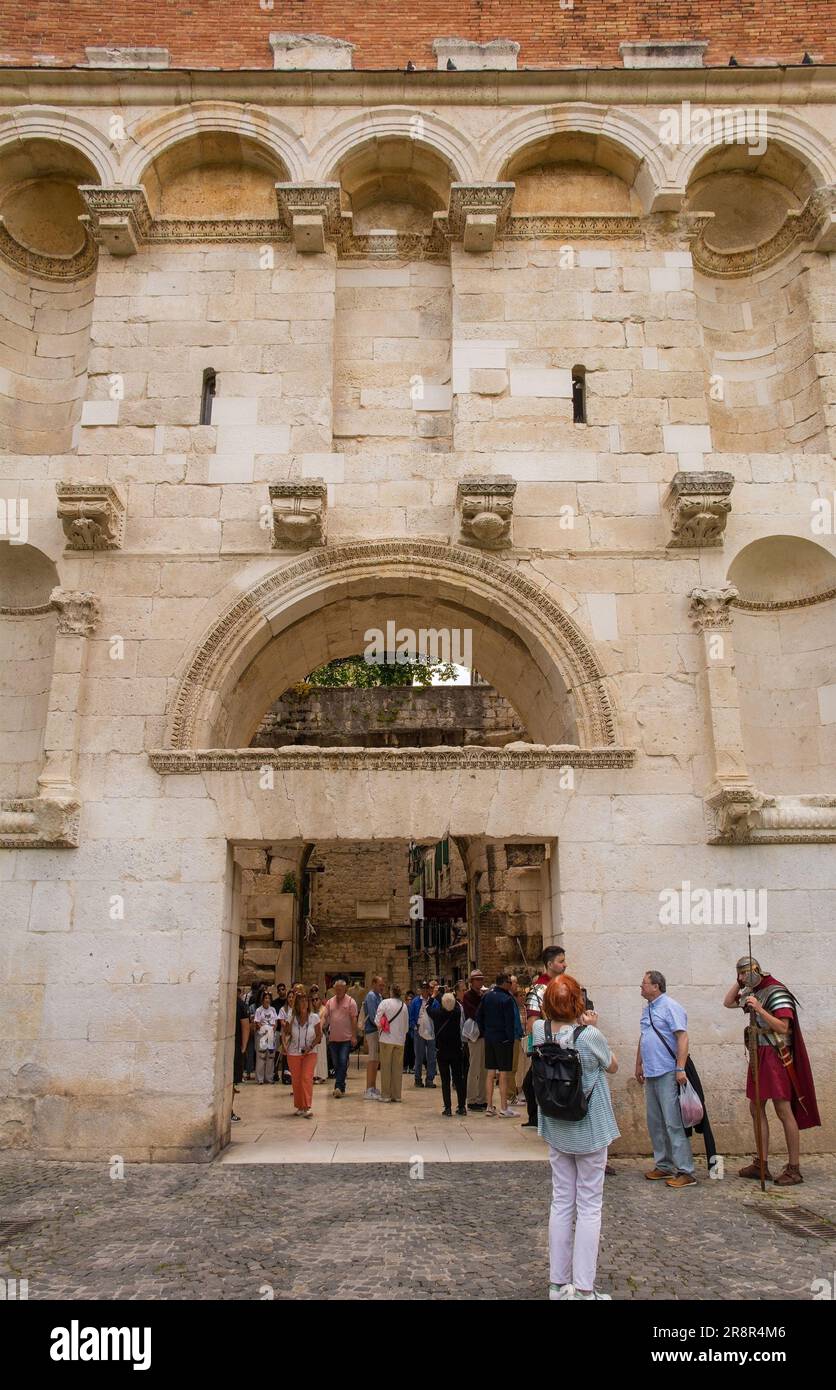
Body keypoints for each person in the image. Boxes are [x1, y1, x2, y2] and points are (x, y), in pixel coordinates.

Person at [532, 975, 619, 1301]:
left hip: (556, 1125)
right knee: (589, 1206)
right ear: (579, 1004)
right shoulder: (590, 1035)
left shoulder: (539, 1030)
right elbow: (612, 1066)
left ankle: (557, 1284)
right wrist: (591, 1025)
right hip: (589, 1128)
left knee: (561, 1202)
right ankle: (583, 1288)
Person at [724, 955, 821, 1185]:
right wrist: (740, 984)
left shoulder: (776, 992)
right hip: (758, 1056)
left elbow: (783, 1027)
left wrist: (759, 1008)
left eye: (744, 973)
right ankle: (761, 1164)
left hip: (776, 1056)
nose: (741, 977)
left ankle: (794, 1168)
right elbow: (728, 1002)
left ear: (756, 970)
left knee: (783, 1109)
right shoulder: (752, 990)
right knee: (755, 1107)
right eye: (739, 974)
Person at [636, 971, 696, 1188]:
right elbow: (644, 1036)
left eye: (644, 983)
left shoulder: (671, 1006)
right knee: (655, 1122)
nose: (641, 987)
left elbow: (682, 1036)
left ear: (656, 986)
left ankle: (685, 1170)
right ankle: (664, 1164)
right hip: (651, 1072)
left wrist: (680, 1068)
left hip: (667, 1071)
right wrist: (639, 1063)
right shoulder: (648, 1009)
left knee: (672, 1122)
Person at [522, 947, 567, 1127]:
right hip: (548, 1048)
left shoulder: (567, 984)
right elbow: (532, 1024)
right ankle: (540, 1121)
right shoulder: (539, 989)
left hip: (569, 1043)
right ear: (549, 964)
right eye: (561, 961)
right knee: (536, 1085)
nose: (565, 965)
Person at [475, 973, 520, 1117]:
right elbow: (509, 1022)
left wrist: (484, 1031)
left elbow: (478, 1016)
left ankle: (489, 1106)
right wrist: (510, 1039)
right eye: (509, 982)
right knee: (503, 1074)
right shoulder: (507, 999)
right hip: (504, 1040)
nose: (511, 985)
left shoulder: (487, 996)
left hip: (490, 1038)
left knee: (490, 1072)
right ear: (504, 983)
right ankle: (504, 1107)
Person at [282, 986, 322, 1118]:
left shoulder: (315, 1017)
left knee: (306, 1078)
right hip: (294, 1052)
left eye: (306, 1000)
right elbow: (286, 1033)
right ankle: (300, 1106)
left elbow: (318, 1036)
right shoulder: (291, 1016)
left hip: (310, 1052)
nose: (304, 1003)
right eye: (301, 1001)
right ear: (297, 1004)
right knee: (297, 1080)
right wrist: (284, 1045)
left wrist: (310, 1047)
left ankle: (307, 1106)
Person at [428, 988, 467, 1115]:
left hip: (442, 1052)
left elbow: (427, 1007)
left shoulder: (437, 1014)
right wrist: (449, 994)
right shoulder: (456, 1013)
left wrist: (434, 995)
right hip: (456, 1050)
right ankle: (461, 1107)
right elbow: (454, 1003)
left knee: (445, 1081)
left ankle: (448, 1108)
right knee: (458, 1079)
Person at [322, 978, 358, 1098]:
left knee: (343, 1061)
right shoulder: (330, 1002)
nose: (338, 991)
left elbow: (354, 1019)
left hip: (346, 1039)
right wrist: (320, 1026)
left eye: (340, 989)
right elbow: (325, 1015)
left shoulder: (351, 1002)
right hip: (333, 1038)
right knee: (336, 1064)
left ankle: (338, 1086)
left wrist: (353, 1036)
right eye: (336, 989)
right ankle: (341, 1086)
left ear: (345, 989)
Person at [374, 985, 409, 1101]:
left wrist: (383, 1026)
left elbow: (377, 1021)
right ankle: (397, 1095)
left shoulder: (385, 1003)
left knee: (386, 1067)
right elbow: (406, 1027)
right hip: (400, 1041)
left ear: (391, 992)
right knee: (398, 1069)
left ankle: (385, 1095)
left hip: (386, 1039)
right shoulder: (404, 1006)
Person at [462, 969, 487, 1109]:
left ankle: (482, 1098)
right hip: (475, 1037)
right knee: (474, 1068)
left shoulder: (482, 995)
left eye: (481, 979)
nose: (480, 982)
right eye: (477, 980)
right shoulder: (468, 996)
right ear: (472, 982)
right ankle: (471, 1099)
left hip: (484, 1035)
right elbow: (474, 1013)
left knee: (484, 1068)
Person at [410, 981, 437, 1089]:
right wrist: (414, 1026)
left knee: (431, 1056)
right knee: (419, 1056)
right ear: (420, 990)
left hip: (430, 1031)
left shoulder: (433, 1002)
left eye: (426, 989)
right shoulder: (415, 1001)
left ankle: (430, 1079)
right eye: (423, 989)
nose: (425, 991)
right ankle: (417, 1079)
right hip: (419, 1031)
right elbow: (411, 1016)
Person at [362, 974, 384, 1100]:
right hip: (372, 1030)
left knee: (376, 1060)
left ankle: (373, 1087)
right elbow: (373, 1015)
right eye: (380, 985)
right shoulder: (371, 996)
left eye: (383, 985)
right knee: (372, 1059)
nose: (382, 987)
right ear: (374, 984)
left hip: (377, 1031)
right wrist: (382, 1027)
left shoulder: (378, 996)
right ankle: (369, 1088)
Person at [253, 989, 279, 1085]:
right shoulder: (259, 1010)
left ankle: (269, 1077)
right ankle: (260, 1078)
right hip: (262, 1035)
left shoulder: (272, 1009)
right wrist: (264, 1030)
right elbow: (257, 1022)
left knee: (270, 1057)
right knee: (261, 1056)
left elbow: (275, 1021)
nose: (267, 1000)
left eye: (268, 998)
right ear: (262, 999)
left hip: (271, 1035)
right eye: (265, 998)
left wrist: (272, 1030)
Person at [232, 988, 250, 1122]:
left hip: (233, 1047)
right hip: (236, 1048)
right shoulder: (240, 1004)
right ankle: (229, 1110)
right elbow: (245, 1026)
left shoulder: (238, 1004)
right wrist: (243, 1047)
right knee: (231, 1082)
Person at [309, 986, 329, 1083]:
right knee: (314, 1056)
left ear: (320, 999)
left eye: (316, 999)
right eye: (312, 1000)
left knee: (321, 1056)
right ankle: (314, 1075)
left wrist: (318, 1033)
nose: (314, 1001)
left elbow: (321, 1023)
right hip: (312, 1036)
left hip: (320, 1035)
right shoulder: (312, 1011)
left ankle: (322, 1076)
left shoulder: (324, 1009)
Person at [402, 990, 416, 1074]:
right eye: (408, 999)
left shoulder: (413, 1008)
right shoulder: (403, 1008)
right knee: (406, 1050)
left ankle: (411, 1066)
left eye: (411, 999)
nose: (410, 1001)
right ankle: (405, 1066)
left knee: (412, 1050)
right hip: (405, 1032)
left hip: (412, 1031)